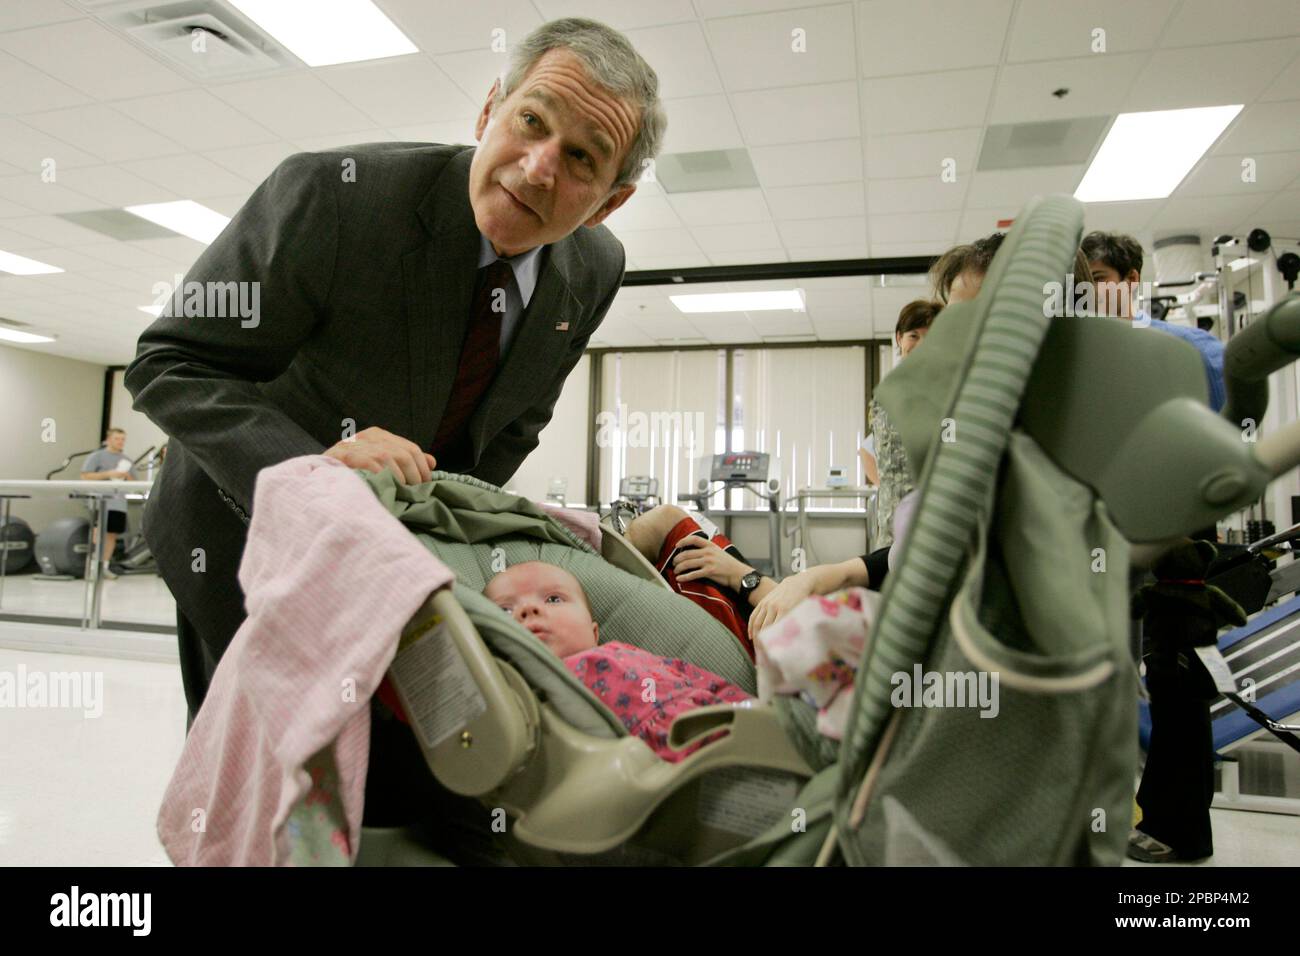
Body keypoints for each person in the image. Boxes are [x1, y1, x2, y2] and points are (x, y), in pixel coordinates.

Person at [124, 18, 666, 728]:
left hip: (389, 555)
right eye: (530, 121)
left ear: (610, 202)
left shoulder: (597, 267)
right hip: (241, 529)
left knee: (384, 759)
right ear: (489, 109)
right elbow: (170, 361)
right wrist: (319, 471)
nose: (538, 166)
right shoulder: (334, 196)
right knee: (263, 754)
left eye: (582, 159)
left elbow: (516, 420)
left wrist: (442, 525)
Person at [483, 561, 751, 763]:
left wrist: (755, 712)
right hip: (669, 764)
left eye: (553, 599)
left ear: (594, 632)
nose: (529, 610)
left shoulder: (630, 653)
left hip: (733, 725)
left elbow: (704, 681)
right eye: (505, 610)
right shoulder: (526, 694)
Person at [1082, 230, 1226, 412]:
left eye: (1097, 279)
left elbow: (1241, 421)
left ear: (1131, 279)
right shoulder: (1080, 359)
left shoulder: (1196, 348)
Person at [79, 428, 135, 580]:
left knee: (112, 535)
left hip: (118, 503)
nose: (120, 442)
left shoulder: (127, 461)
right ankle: (92, 566)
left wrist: (125, 476)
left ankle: (104, 566)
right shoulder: (97, 456)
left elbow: (134, 483)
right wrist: (109, 474)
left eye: (123, 439)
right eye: (117, 439)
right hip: (100, 501)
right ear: (109, 439)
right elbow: (85, 476)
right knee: (98, 533)